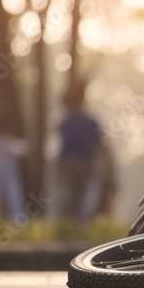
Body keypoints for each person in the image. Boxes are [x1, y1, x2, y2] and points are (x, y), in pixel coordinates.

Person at [57, 80, 112, 223]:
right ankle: (78, 223)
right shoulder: (91, 121)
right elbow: (102, 145)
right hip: (84, 163)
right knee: (81, 196)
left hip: (68, 162)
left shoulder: (66, 120)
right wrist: (107, 166)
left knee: (68, 194)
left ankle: (69, 223)